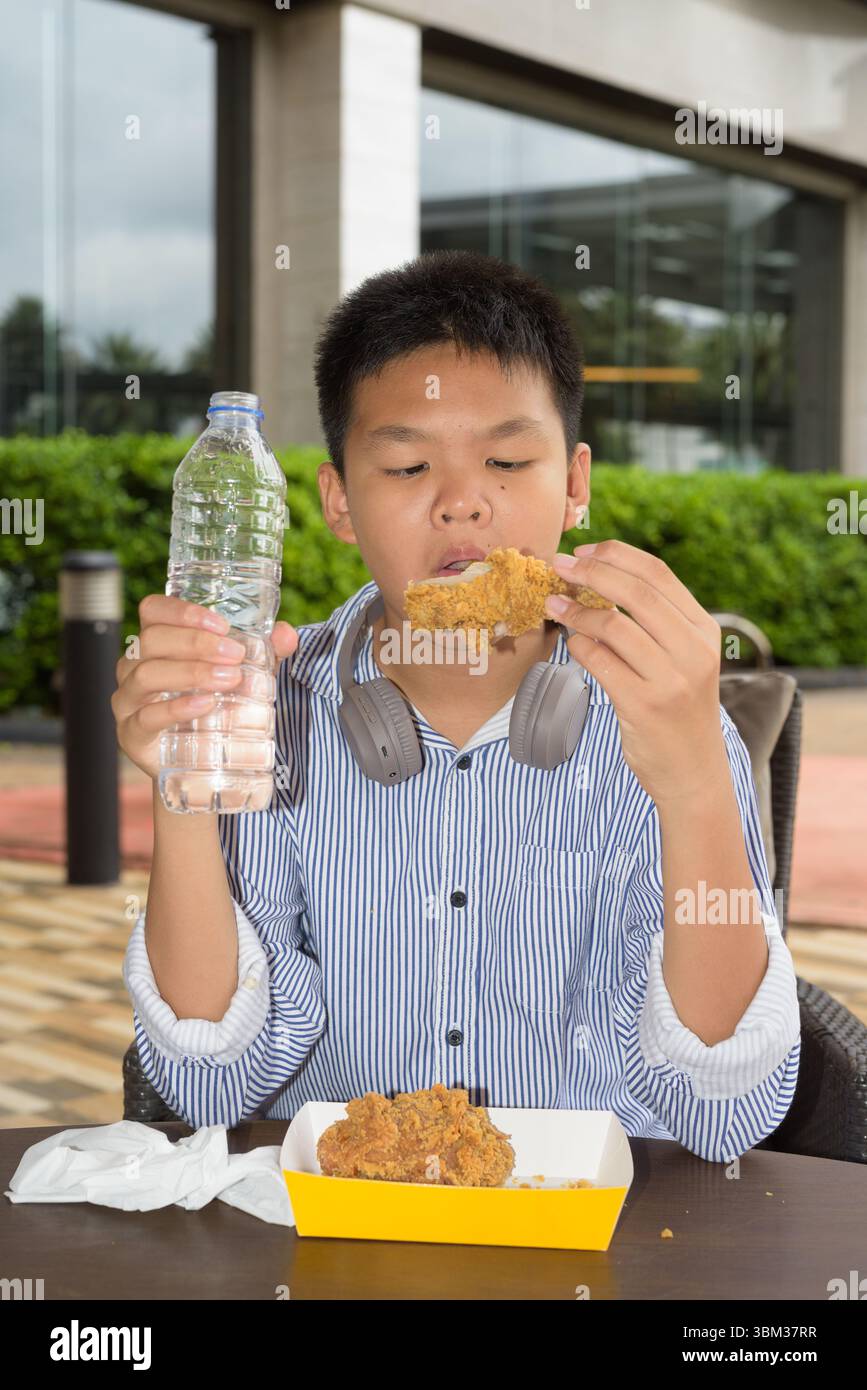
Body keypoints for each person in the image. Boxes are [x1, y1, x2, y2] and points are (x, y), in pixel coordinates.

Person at [114, 249, 800, 1162]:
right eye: (404, 468)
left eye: (508, 460)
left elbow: (722, 1113)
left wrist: (693, 778)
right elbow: (210, 1086)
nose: (463, 507)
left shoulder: (659, 710)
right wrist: (185, 785)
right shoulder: (259, 709)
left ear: (575, 485)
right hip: (333, 1228)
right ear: (338, 502)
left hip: (595, 1239)